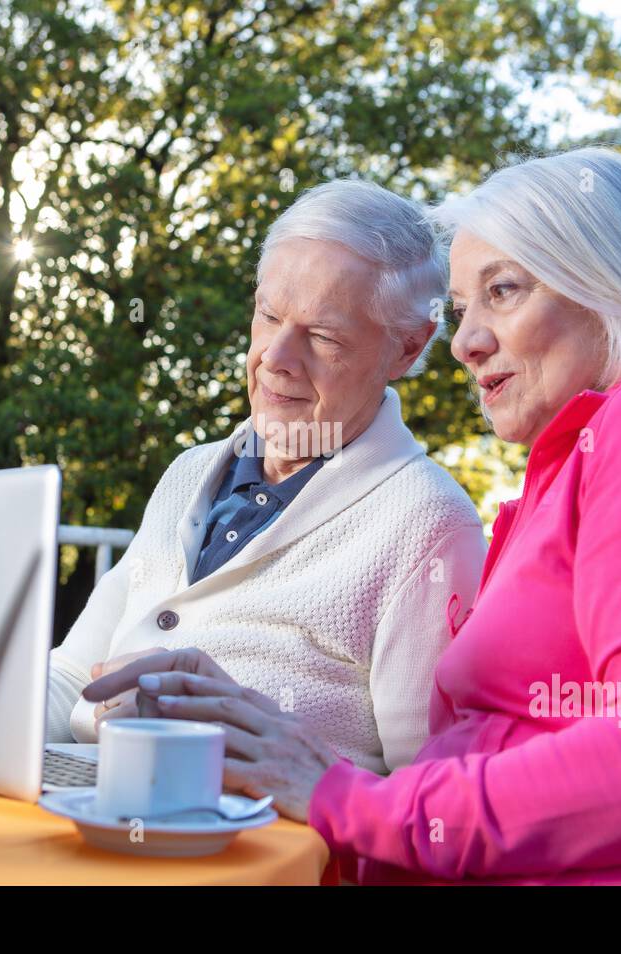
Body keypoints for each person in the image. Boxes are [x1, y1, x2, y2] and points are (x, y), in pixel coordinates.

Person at [83, 147, 621, 884]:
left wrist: (339, 796)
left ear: (609, 288)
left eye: (503, 291)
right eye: (465, 307)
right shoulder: (556, 486)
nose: (467, 343)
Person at [47, 179, 486, 774]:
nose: (275, 357)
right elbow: (73, 676)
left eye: (324, 336)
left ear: (407, 350)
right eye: (268, 314)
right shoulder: (189, 473)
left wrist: (251, 749)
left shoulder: (429, 524)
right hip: (93, 800)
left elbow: (426, 795)